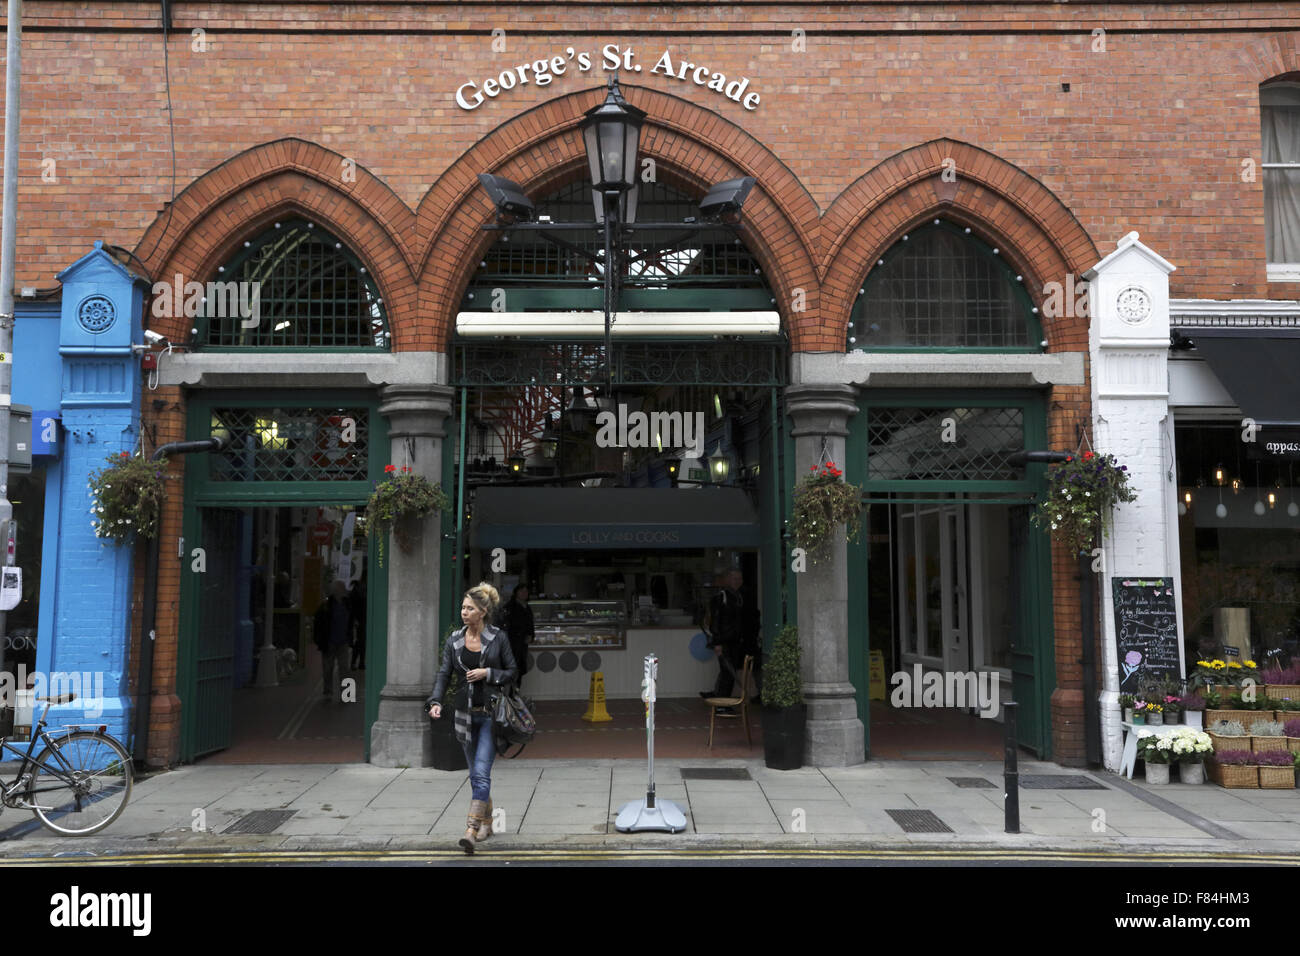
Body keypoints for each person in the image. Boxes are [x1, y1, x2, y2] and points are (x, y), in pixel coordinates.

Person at [426, 582, 518, 854]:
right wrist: (435, 701)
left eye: (470, 608)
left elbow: (512, 671)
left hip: (490, 715)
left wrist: (488, 673)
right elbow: (444, 674)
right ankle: (488, 822)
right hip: (464, 715)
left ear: (483, 611)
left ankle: (470, 830)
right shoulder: (454, 640)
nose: (464, 612)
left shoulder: (498, 638)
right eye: (463, 608)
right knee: (477, 777)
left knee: (480, 773)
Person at [700, 567, 750, 713]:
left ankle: (723, 702)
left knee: (728, 672)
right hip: (724, 641)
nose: (737, 581)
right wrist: (717, 643)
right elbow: (715, 621)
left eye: (739, 579)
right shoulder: (722, 597)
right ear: (727, 579)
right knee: (727, 673)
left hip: (734, 641)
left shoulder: (738, 596)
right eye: (734, 578)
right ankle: (721, 705)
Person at [313, 580, 353, 700]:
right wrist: (319, 640)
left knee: (344, 668)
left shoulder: (347, 604)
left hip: (343, 641)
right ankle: (328, 691)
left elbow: (350, 620)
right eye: (342, 588)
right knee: (327, 668)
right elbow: (318, 624)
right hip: (329, 642)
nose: (344, 590)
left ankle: (346, 693)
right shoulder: (326, 606)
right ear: (336, 591)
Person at [499, 584, 534, 690]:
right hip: (512, 643)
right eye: (521, 591)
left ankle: (516, 692)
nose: (524, 593)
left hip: (522, 644)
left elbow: (530, 624)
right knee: (512, 667)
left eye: (526, 591)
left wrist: (531, 635)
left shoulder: (527, 607)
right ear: (516, 593)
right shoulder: (510, 607)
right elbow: (507, 625)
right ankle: (509, 694)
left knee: (519, 668)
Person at [348, 575, 367, 671]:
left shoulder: (359, 590)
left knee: (360, 642)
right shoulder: (360, 591)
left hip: (360, 620)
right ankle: (358, 662)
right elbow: (354, 607)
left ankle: (359, 662)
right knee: (360, 642)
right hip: (360, 620)